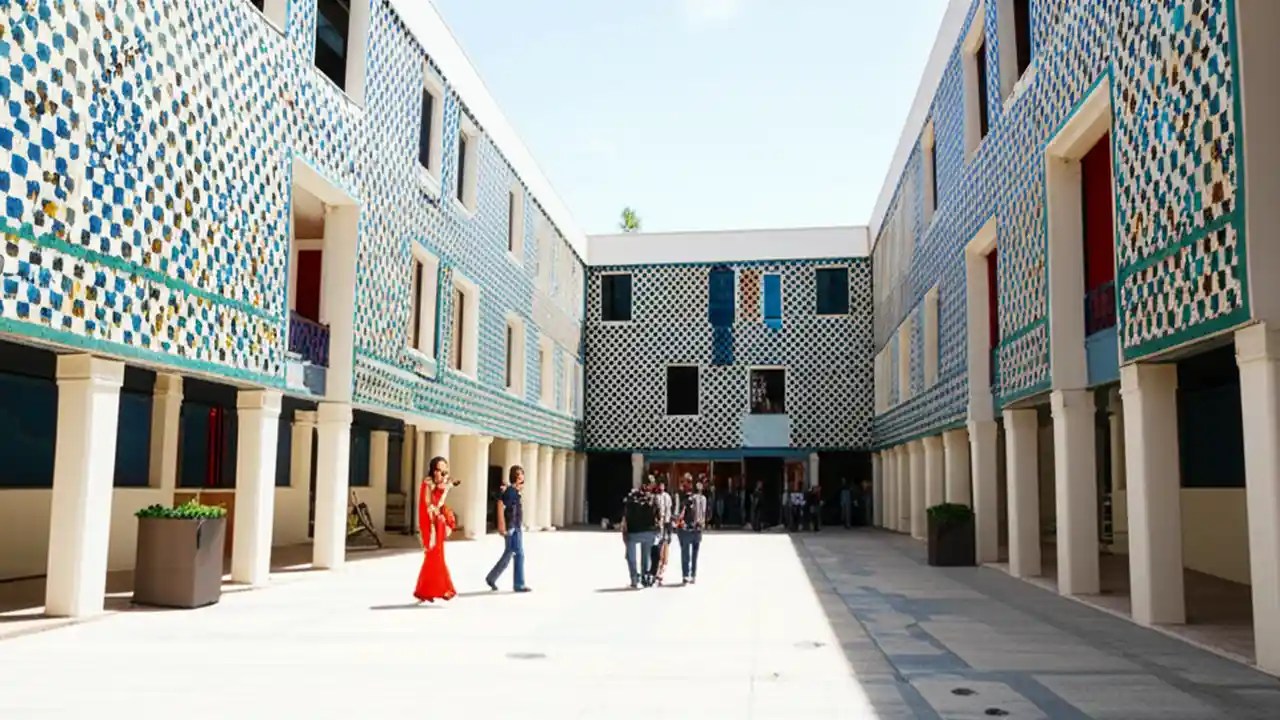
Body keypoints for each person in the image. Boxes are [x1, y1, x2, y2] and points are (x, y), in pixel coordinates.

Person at [413, 456, 457, 603]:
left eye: (444, 472)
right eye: (438, 470)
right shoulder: (427, 484)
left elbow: (439, 504)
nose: (441, 475)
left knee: (435, 556)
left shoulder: (441, 485)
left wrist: (446, 487)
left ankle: (424, 591)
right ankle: (444, 589)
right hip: (429, 524)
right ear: (432, 470)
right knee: (433, 555)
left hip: (438, 523)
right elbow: (429, 506)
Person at [485, 465, 531, 593]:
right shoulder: (511, 492)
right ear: (514, 477)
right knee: (519, 554)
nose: (521, 476)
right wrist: (502, 526)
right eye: (518, 474)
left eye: (522, 474)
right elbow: (501, 505)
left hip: (515, 526)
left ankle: (491, 578)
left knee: (509, 554)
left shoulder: (515, 491)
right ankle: (519, 584)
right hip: (512, 528)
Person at [621, 484, 658, 588]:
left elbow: (625, 520)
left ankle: (634, 578)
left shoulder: (630, 502)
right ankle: (645, 577)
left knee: (631, 557)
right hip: (648, 532)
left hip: (633, 533)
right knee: (646, 556)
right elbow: (657, 515)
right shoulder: (650, 501)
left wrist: (624, 533)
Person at [676, 480, 707, 584]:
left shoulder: (685, 499)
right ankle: (693, 575)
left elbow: (678, 514)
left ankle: (686, 575)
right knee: (694, 553)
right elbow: (707, 513)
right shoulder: (703, 499)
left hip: (686, 530)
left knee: (685, 553)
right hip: (698, 529)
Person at [650, 476, 675, 584]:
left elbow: (670, 510)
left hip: (666, 524)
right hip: (657, 526)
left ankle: (661, 571)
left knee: (665, 547)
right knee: (657, 549)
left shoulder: (668, 497)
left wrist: (670, 525)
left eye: (663, 485)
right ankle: (656, 572)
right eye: (660, 485)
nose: (661, 487)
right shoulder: (654, 497)